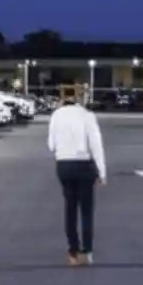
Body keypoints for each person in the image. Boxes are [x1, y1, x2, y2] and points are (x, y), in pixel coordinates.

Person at [47, 94, 106, 266]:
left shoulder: (56, 115)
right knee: (86, 210)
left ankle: (73, 250)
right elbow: (96, 144)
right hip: (84, 165)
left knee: (70, 207)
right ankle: (86, 251)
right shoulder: (87, 116)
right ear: (80, 103)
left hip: (63, 165)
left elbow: (51, 145)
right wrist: (102, 172)